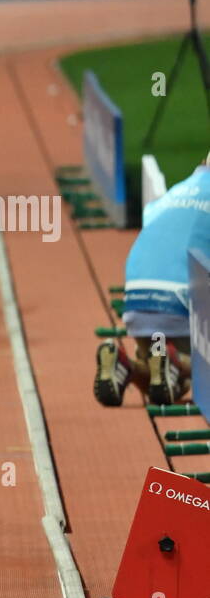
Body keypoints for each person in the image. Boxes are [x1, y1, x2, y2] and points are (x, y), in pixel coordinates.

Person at [95, 153, 210, 407]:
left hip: (140, 305)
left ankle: (128, 366)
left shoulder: (172, 195)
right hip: (178, 306)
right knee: (184, 377)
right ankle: (178, 363)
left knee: (163, 380)